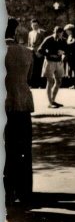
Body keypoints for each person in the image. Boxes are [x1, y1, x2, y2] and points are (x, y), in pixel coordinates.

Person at [5, 18, 34, 206]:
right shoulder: (26, 52)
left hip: (5, 104)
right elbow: (29, 78)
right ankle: (23, 191)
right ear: (15, 33)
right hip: (23, 103)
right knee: (22, 149)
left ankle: (6, 192)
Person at [37, 26, 67, 108]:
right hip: (49, 62)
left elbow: (67, 50)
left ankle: (53, 100)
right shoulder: (49, 39)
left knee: (59, 81)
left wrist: (63, 52)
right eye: (57, 33)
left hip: (59, 62)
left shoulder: (63, 40)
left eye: (61, 33)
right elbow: (40, 49)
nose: (59, 35)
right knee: (50, 81)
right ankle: (50, 102)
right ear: (55, 32)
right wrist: (49, 54)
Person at [27, 19, 46, 88]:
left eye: (36, 25)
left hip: (40, 53)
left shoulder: (43, 32)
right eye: (33, 25)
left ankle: (41, 84)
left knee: (40, 68)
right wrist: (30, 50)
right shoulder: (30, 33)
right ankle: (33, 84)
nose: (34, 27)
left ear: (38, 25)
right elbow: (29, 44)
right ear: (31, 25)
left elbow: (45, 43)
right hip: (32, 53)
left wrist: (40, 52)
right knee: (33, 69)